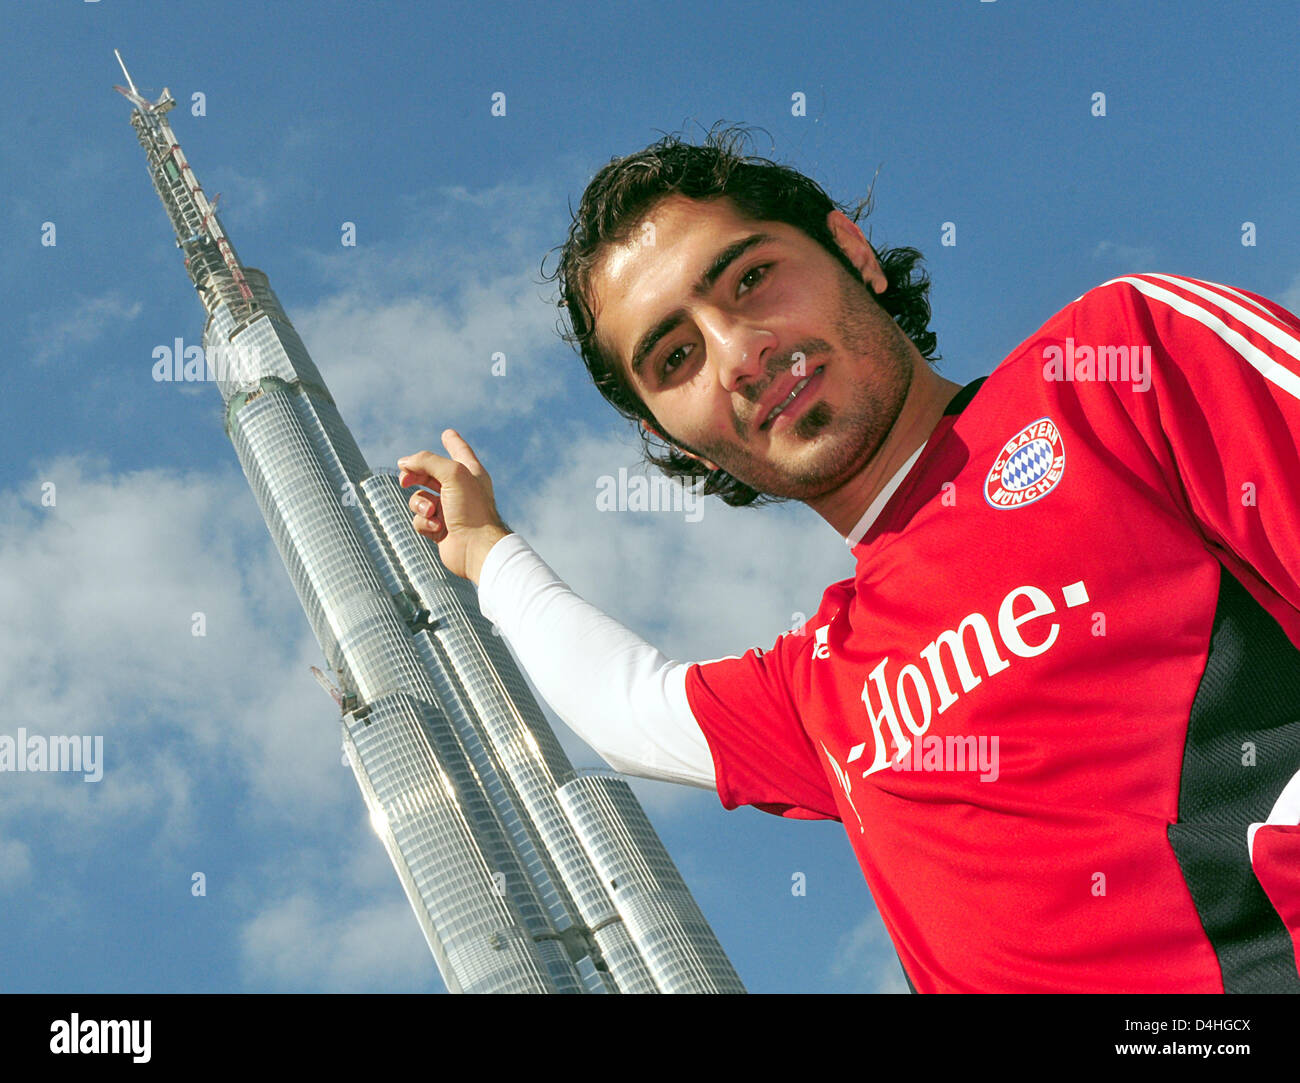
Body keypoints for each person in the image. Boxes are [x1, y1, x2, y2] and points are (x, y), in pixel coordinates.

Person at [396, 129, 1300, 993]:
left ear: (853, 251)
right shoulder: (823, 687)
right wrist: (484, 550)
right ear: (679, 441)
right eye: (675, 356)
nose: (738, 352)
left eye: (750, 278)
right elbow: (628, 709)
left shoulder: (1115, 365)